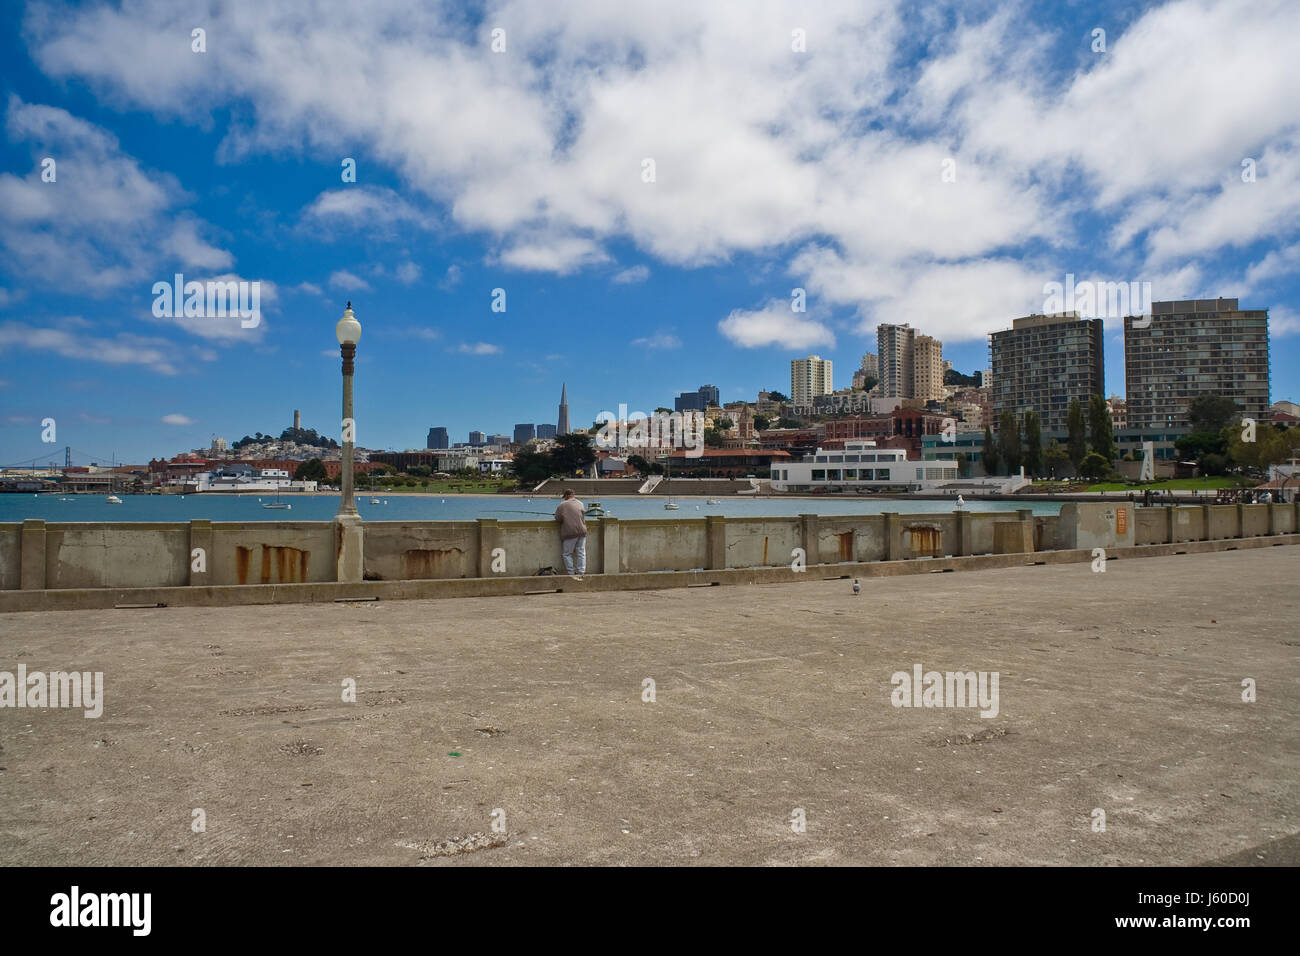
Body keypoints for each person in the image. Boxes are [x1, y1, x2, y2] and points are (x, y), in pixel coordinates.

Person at [554, 489, 587, 579]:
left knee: (567, 554)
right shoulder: (581, 503)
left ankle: (571, 573)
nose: (564, 499)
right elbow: (583, 515)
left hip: (570, 532)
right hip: (582, 531)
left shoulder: (562, 505)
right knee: (581, 552)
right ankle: (581, 572)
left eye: (564, 497)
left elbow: (558, 519)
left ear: (567, 496)